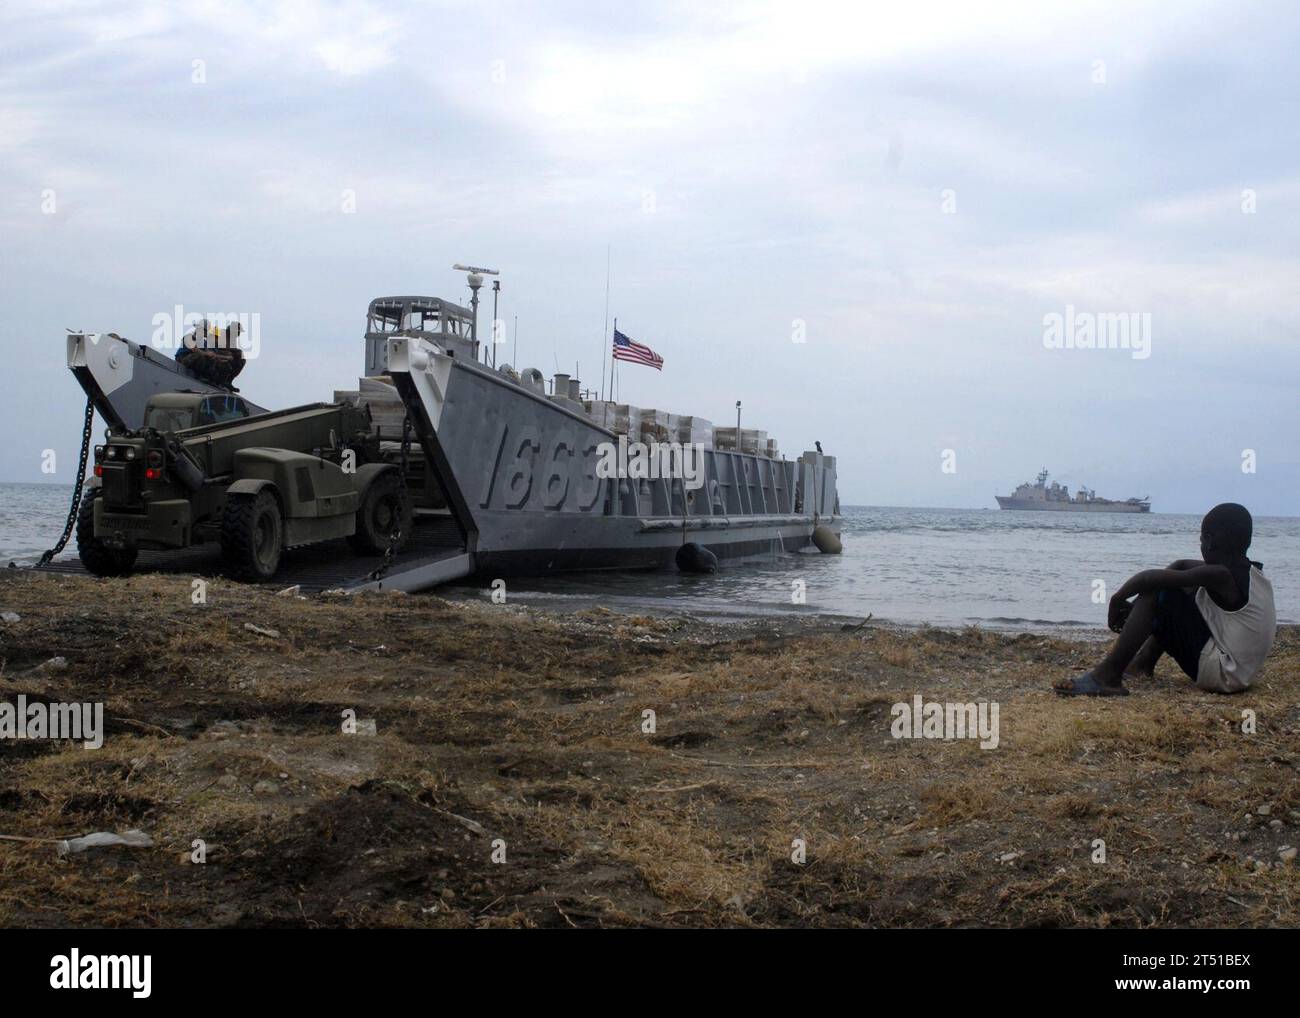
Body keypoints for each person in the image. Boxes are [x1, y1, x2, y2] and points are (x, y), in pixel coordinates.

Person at [1055, 503, 1276, 696]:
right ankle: (1142, 664)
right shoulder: (1249, 572)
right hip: (1238, 672)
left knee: (1158, 590)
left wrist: (1118, 598)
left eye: (1200, 541)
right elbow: (1180, 566)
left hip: (1222, 674)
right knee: (1173, 590)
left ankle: (1107, 677)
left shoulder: (1221, 575)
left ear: (1208, 541)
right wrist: (1139, 610)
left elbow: (1149, 579)